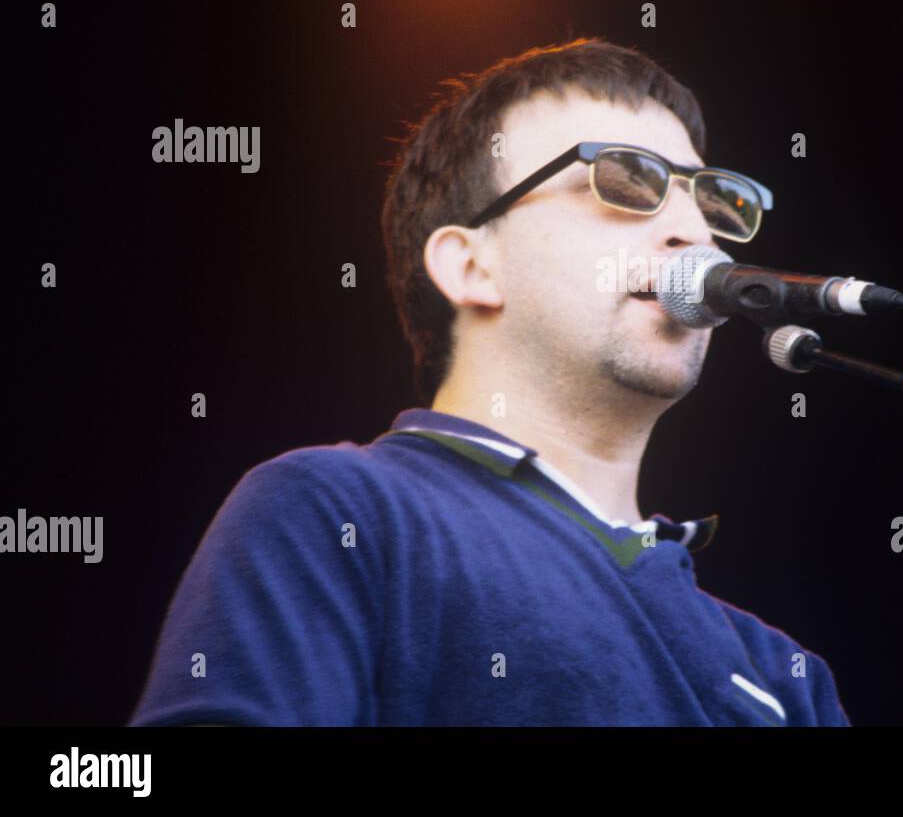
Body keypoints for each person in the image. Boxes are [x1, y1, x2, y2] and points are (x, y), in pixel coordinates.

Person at [129, 37, 851, 726]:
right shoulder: (337, 509)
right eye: (630, 181)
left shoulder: (783, 671)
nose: (695, 231)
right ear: (470, 265)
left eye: (708, 200)